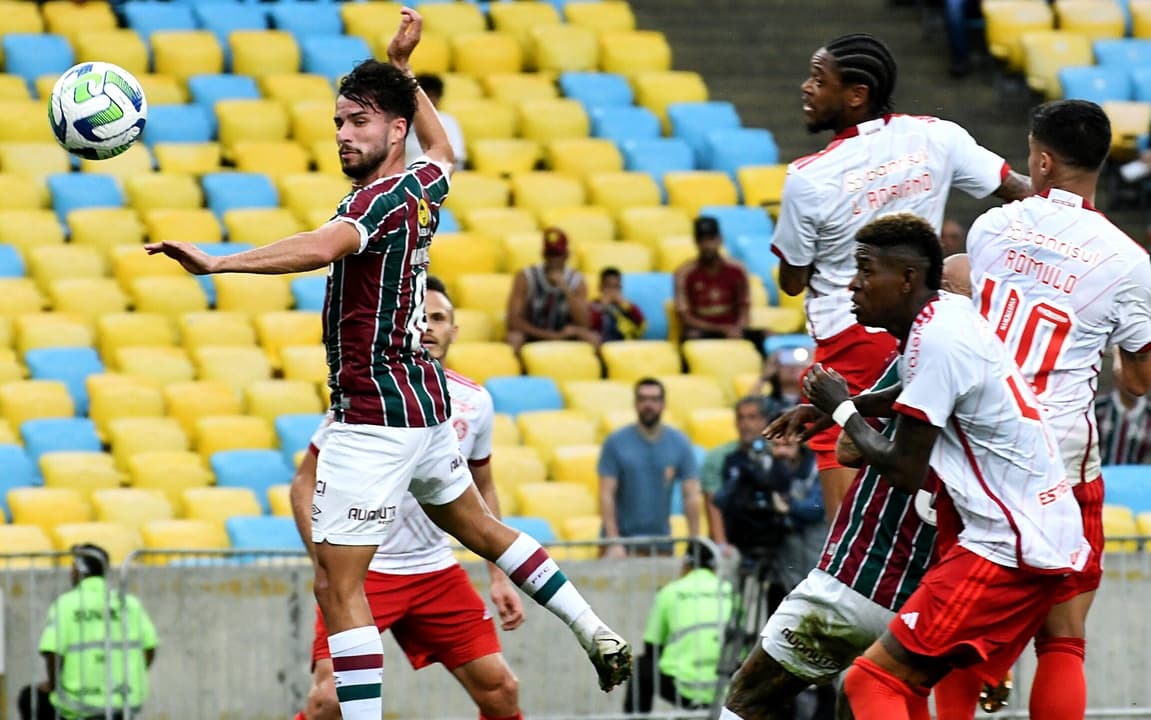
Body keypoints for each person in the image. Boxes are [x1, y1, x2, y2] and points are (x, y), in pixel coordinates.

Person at [146, 11, 631, 718]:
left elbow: (317, 248)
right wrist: (401, 70)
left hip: (372, 417)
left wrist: (219, 260)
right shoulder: (422, 187)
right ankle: (593, 629)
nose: (343, 134)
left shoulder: (375, 202)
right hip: (425, 406)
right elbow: (443, 147)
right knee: (483, 532)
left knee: (336, 588)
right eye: (339, 122)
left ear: (391, 131)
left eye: (359, 122)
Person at [783, 213, 1088, 720]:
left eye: (864, 269)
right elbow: (910, 390)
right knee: (893, 687)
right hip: (1025, 532)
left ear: (907, 278)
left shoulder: (939, 339)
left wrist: (840, 408)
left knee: (870, 683)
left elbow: (903, 469)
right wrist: (850, 405)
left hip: (1006, 545)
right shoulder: (942, 318)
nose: (852, 284)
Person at [771, 32, 1031, 524]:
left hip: (848, 338)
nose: (806, 88)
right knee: (930, 493)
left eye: (818, 80)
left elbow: (792, 279)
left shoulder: (809, 177)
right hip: (924, 330)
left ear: (856, 94)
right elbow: (1021, 192)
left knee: (849, 526)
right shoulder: (938, 135)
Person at [948, 99, 1151, 720]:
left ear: (1039, 160)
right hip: (1060, 454)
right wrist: (1115, 362)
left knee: (954, 639)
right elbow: (1140, 379)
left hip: (978, 450)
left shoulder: (990, 229)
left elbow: (965, 296)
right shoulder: (1128, 262)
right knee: (1064, 637)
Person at [290, 277, 526, 720]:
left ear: (454, 330)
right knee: (329, 701)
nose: (430, 327)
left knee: (502, 690)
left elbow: (484, 487)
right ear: (408, 326)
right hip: (368, 572)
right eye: (423, 318)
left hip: (435, 569)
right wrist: (323, 561)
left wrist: (498, 576)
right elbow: (304, 482)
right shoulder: (369, 396)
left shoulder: (475, 402)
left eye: (440, 318)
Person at [20, 544, 158, 720]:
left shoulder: (66, 604)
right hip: (124, 701)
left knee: (30, 698)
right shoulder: (129, 604)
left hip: (79, 704)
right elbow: (150, 648)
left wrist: (55, 685)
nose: (71, 573)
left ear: (79, 570)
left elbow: (52, 654)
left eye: (72, 568)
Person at [623, 540, 735, 714]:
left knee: (640, 667)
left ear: (685, 564)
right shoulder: (731, 591)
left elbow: (652, 647)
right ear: (715, 567)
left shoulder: (671, 591)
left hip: (684, 688)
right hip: (726, 686)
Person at [598, 377, 701, 558]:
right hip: (621, 544)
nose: (648, 405)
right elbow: (606, 494)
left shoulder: (679, 442)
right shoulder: (616, 442)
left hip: (660, 543)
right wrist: (614, 541)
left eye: (654, 399)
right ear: (635, 403)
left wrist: (694, 542)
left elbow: (691, 494)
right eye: (643, 399)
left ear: (663, 404)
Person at [505, 227, 598, 355]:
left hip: (563, 333)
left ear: (566, 255)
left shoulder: (577, 280)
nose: (554, 260)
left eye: (557, 255)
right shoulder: (526, 277)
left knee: (593, 338)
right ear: (543, 254)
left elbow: (585, 322)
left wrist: (565, 289)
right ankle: (521, 373)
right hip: (533, 332)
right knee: (514, 338)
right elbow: (513, 320)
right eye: (550, 255)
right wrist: (548, 335)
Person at [673, 216, 761, 348]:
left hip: (734, 329)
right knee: (691, 336)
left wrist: (737, 328)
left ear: (720, 240)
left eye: (711, 239)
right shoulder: (684, 273)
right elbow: (685, 317)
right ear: (696, 243)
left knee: (768, 335)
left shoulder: (737, 270)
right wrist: (721, 329)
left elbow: (744, 307)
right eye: (702, 240)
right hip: (704, 331)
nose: (707, 245)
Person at [1095, 352, 1151, 465]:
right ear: (1117, 378)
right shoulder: (1097, 409)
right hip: (1100, 477)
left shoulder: (1148, 415)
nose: (1135, 383)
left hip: (1139, 480)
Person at [403, 73, 465, 168]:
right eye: (426, 95)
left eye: (433, 96)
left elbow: (455, 157)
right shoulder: (404, 121)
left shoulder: (448, 121)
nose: (429, 100)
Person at [589, 266, 646, 342]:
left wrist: (627, 306)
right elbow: (591, 326)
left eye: (616, 287)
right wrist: (602, 308)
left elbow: (641, 323)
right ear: (600, 287)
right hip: (603, 342)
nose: (613, 291)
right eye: (608, 286)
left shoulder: (626, 305)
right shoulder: (594, 305)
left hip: (625, 342)